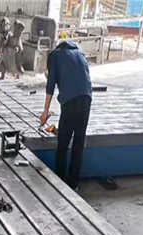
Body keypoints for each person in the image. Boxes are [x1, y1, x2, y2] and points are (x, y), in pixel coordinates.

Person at [39, 41, 92, 190]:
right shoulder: (80, 53)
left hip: (70, 101)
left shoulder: (55, 56)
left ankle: (60, 183)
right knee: (78, 142)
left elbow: (50, 85)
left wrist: (45, 111)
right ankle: (74, 184)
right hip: (87, 99)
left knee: (63, 142)